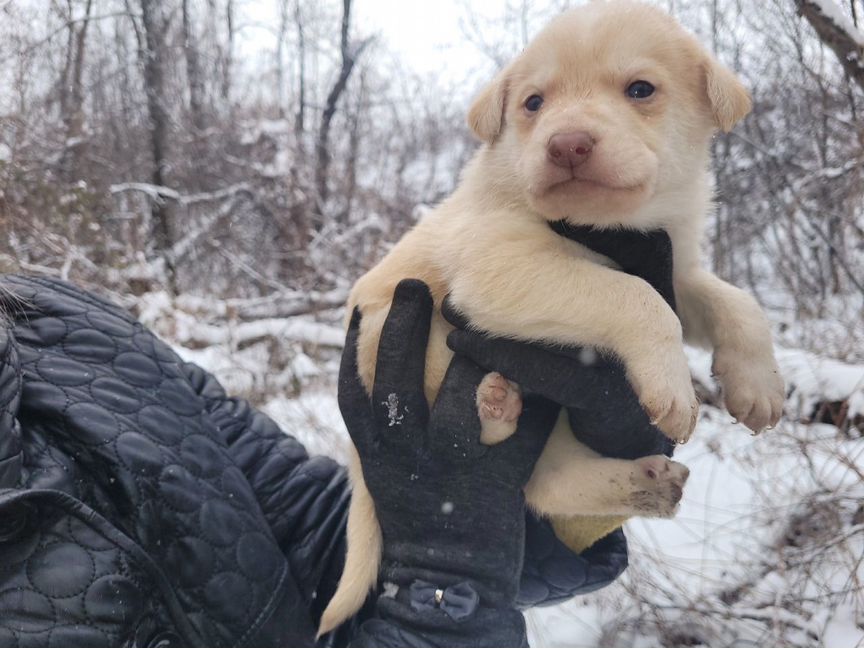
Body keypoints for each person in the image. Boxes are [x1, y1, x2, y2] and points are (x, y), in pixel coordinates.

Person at [0, 226, 674, 648]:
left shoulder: (59, 327)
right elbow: (444, 567)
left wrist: (586, 476)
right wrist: (450, 579)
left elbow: (317, 538)